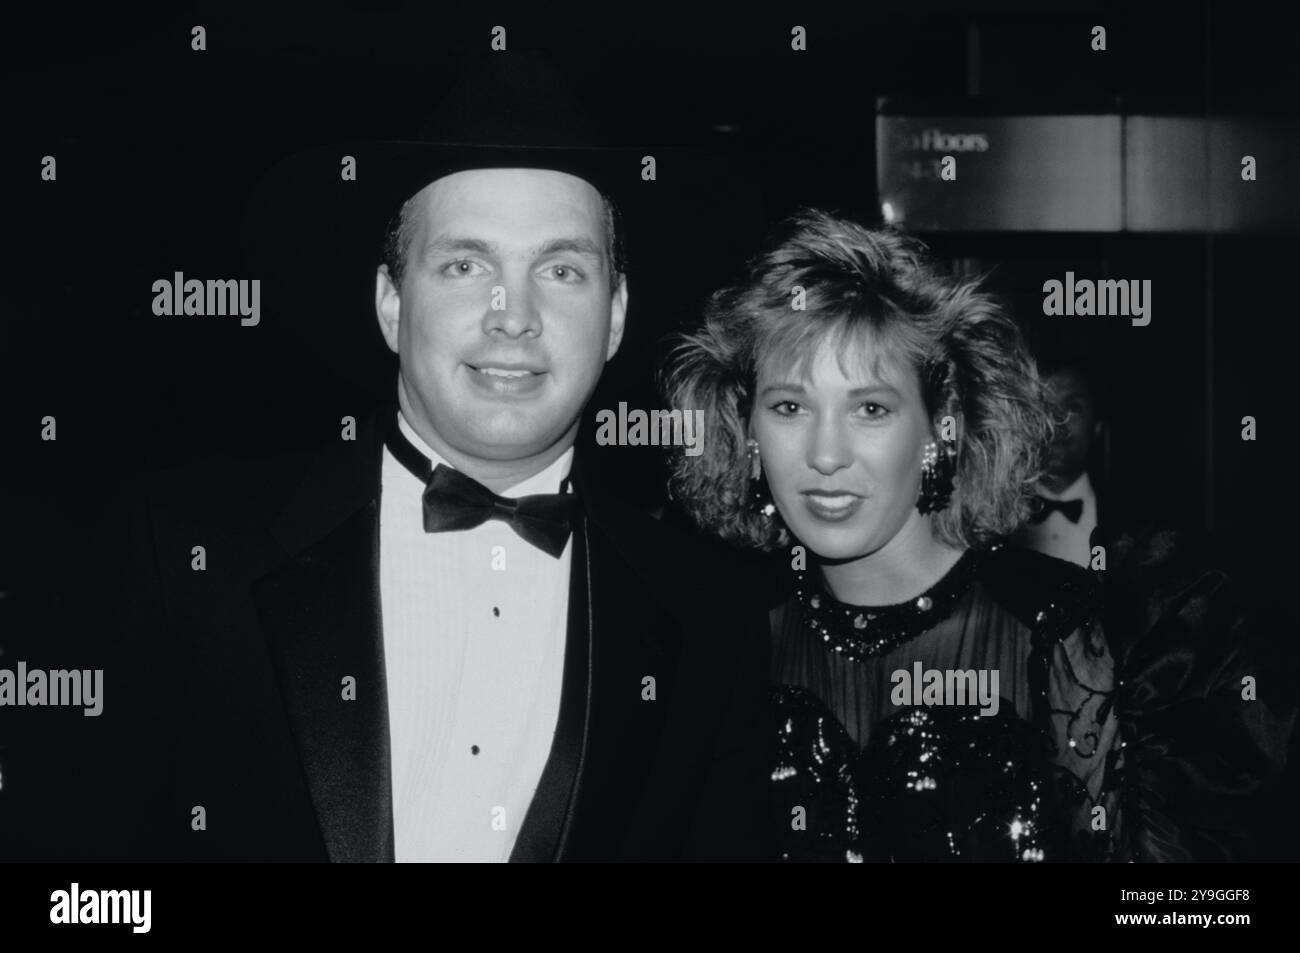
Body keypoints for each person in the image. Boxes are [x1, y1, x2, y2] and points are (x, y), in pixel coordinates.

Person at [85, 57, 773, 863]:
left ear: (615, 315)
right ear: (391, 301)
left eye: (560, 269)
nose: (512, 314)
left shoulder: (711, 620)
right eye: (464, 265)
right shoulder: (186, 552)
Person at [664, 209, 1294, 862]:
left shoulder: (1077, 637)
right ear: (745, 427)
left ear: (943, 425)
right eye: (790, 406)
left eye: (870, 408)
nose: (826, 453)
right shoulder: (720, 641)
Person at [1016, 357, 1104, 568]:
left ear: (1097, 427)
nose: (1056, 421)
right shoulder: (993, 521)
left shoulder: (1131, 525)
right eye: (1043, 406)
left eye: (1072, 407)